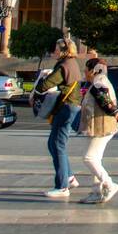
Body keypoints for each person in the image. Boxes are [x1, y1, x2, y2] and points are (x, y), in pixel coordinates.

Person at [35, 38, 84, 198]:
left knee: (57, 144)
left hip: (66, 107)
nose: (53, 52)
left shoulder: (64, 65)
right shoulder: (72, 63)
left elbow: (44, 85)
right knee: (54, 143)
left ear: (64, 51)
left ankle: (62, 186)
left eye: (56, 49)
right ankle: (69, 177)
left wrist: (42, 76)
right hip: (71, 105)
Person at [79, 58, 118, 203]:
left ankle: (109, 184)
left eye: (86, 70)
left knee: (89, 158)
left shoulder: (98, 83)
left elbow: (104, 100)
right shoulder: (100, 80)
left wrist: (117, 113)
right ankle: (97, 191)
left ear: (93, 70)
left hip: (103, 126)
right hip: (100, 125)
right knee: (96, 158)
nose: (85, 73)